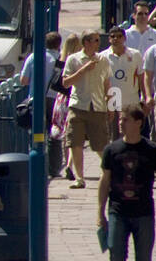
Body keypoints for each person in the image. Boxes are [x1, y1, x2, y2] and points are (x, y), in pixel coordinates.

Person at [97, 106, 156, 261]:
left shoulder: (152, 150)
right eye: (120, 119)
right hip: (118, 212)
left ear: (138, 123)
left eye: (125, 119)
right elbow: (104, 181)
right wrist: (100, 212)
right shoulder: (112, 150)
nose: (121, 123)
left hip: (144, 213)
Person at [61, 30, 112, 188]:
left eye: (98, 40)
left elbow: (108, 84)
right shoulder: (73, 59)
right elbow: (66, 83)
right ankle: (79, 178)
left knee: (100, 144)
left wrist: (111, 105)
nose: (98, 43)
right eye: (95, 40)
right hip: (78, 106)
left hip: (97, 106)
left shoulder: (103, 60)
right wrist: (83, 70)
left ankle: (110, 173)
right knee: (75, 142)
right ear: (86, 42)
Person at [100, 26, 145, 139]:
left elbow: (141, 77)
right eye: (113, 36)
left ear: (124, 38)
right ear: (109, 39)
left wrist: (144, 97)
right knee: (113, 137)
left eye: (119, 36)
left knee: (131, 135)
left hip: (131, 103)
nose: (116, 39)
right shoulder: (103, 57)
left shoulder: (135, 55)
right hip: (112, 104)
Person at [54, 33, 83, 179]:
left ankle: (67, 163)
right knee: (72, 132)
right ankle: (68, 164)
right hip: (74, 97)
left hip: (61, 99)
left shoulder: (61, 59)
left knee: (64, 133)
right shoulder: (78, 60)